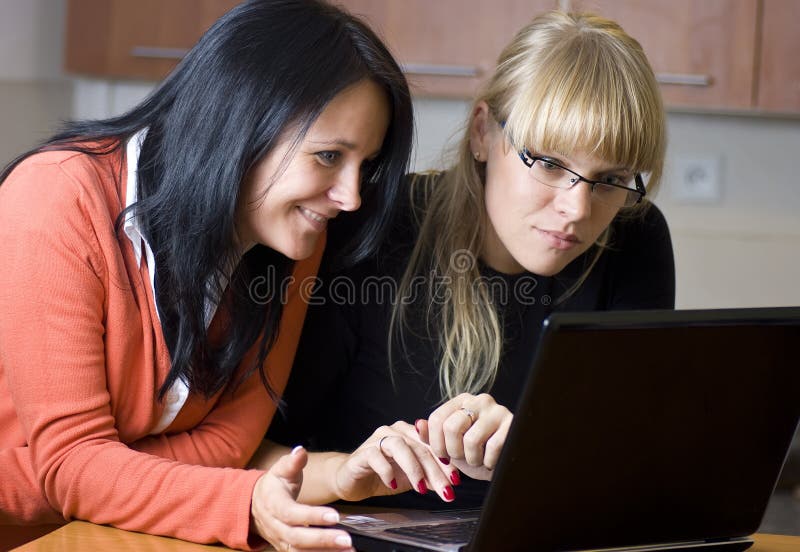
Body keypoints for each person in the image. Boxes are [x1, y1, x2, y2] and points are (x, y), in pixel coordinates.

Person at [0, 0, 432, 550]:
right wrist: (232, 497)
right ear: (239, 123)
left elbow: (233, 440)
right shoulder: (57, 198)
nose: (349, 198)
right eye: (328, 156)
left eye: (364, 166)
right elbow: (71, 465)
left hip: (136, 533)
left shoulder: (294, 239)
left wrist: (103, 474)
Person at [261, 10, 676, 510]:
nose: (577, 210)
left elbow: (632, 466)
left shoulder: (635, 238)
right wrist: (345, 472)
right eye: (548, 163)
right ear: (483, 132)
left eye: (610, 179)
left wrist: (530, 454)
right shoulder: (369, 228)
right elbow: (250, 454)